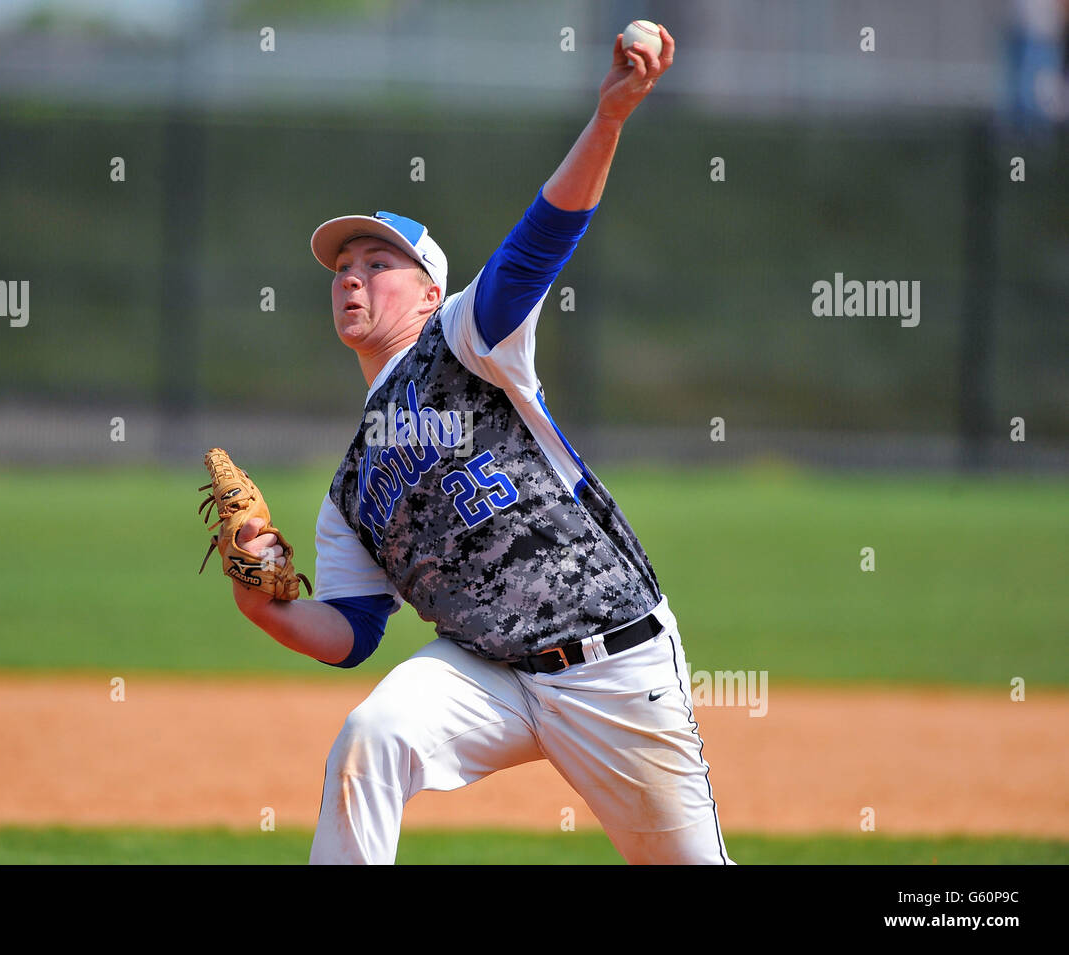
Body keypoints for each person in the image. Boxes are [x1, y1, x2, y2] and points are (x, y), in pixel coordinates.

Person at [231, 24, 732, 865]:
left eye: (375, 261)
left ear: (430, 292)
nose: (350, 276)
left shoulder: (464, 340)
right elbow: (351, 632)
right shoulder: (352, 485)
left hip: (608, 661)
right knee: (373, 736)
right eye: (341, 266)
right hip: (489, 675)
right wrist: (261, 603)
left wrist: (608, 116)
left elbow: (539, 242)